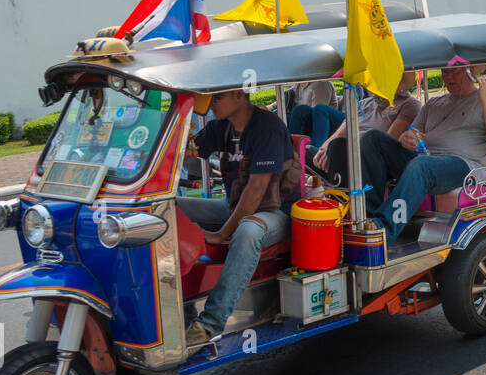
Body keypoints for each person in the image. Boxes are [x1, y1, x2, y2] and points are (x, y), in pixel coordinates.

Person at [178, 89, 300, 347]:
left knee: (247, 231)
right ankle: (177, 305)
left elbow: (256, 192)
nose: (211, 104)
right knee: (171, 206)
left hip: (277, 212)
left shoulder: (267, 128)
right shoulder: (220, 127)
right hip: (233, 206)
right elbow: (187, 152)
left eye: (216, 98)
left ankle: (209, 324)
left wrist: (221, 233)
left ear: (238, 94)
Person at [344, 63, 486, 243]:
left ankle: (384, 230)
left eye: (455, 71)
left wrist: (484, 98)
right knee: (373, 139)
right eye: (445, 71)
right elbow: (412, 132)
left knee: (422, 165)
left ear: (470, 72)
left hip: (464, 166)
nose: (449, 77)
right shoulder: (433, 104)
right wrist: (406, 138)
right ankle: (368, 218)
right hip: (427, 161)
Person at [310, 71, 421, 183]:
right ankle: (326, 185)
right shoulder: (363, 103)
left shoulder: (409, 104)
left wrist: (335, 149)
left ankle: (340, 194)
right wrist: (324, 149)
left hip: (371, 160)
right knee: (306, 151)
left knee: (338, 146)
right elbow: (339, 133)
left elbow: (386, 141)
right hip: (346, 154)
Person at [286, 79, 344, 149]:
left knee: (318, 108)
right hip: (316, 119)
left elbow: (317, 113)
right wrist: (271, 108)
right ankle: (293, 149)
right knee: (297, 110)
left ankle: (315, 150)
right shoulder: (299, 84)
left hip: (330, 122)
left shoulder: (320, 83)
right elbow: (286, 97)